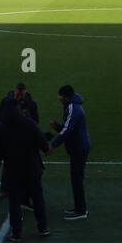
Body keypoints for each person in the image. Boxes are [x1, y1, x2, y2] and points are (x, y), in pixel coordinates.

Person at [0, 91, 51, 241]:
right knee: (37, 198)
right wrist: (46, 149)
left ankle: (16, 233)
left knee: (14, 202)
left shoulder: (0, 127)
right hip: (32, 167)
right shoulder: (29, 123)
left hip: (13, 170)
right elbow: (42, 142)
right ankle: (43, 228)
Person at [48, 85, 91, 220]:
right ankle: (79, 207)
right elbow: (69, 129)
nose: (59, 99)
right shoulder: (73, 105)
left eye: (60, 96)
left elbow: (67, 131)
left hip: (79, 148)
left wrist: (52, 145)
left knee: (76, 179)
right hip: (79, 146)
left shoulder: (73, 108)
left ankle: (81, 210)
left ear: (65, 97)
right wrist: (57, 127)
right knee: (76, 178)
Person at [0, 83, 40, 202]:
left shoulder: (30, 103)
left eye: (21, 92)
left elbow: (35, 120)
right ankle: (5, 190)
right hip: (10, 138)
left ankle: (26, 194)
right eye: (18, 92)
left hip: (25, 139)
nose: (20, 94)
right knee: (9, 164)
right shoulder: (7, 101)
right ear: (15, 91)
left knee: (26, 166)